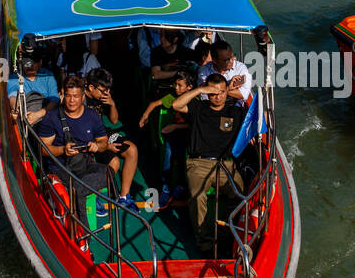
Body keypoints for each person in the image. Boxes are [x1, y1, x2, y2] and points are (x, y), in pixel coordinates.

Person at [172, 72, 246, 256]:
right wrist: (200, 90)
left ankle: (224, 233)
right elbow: (176, 104)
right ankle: (205, 242)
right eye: (213, 93)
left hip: (226, 165)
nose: (218, 97)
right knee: (198, 196)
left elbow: (257, 120)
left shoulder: (235, 111)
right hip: (198, 163)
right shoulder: (199, 107)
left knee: (241, 195)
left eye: (221, 92)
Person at [37, 77, 109, 226]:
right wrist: (63, 150)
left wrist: (97, 146)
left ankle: (82, 192)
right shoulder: (51, 118)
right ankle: (84, 237)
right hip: (60, 168)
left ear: (82, 96)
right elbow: (43, 150)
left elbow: (104, 142)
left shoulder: (92, 116)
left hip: (84, 165)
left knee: (109, 172)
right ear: (62, 95)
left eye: (76, 96)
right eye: (68, 95)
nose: (71, 100)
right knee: (79, 188)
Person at [84, 68, 140, 209]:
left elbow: (114, 121)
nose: (106, 93)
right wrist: (107, 147)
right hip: (86, 138)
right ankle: (94, 194)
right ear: (91, 87)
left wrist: (112, 104)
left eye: (108, 90)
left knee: (131, 150)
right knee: (114, 161)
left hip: (102, 134)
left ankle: (124, 196)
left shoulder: (102, 97)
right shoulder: (80, 99)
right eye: (103, 91)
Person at [139, 67, 193, 205]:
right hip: (173, 135)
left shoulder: (194, 100)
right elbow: (154, 104)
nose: (176, 88)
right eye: (175, 84)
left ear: (189, 87)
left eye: (180, 85)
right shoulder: (172, 97)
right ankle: (166, 186)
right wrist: (145, 115)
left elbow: (194, 125)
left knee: (183, 159)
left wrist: (175, 126)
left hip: (188, 136)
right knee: (169, 155)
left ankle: (182, 185)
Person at [7, 46, 60, 125]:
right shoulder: (14, 78)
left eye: (34, 62)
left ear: (40, 63)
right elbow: (13, 96)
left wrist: (38, 115)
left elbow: (55, 100)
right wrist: (16, 110)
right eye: (27, 62)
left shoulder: (48, 75)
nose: (30, 66)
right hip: (27, 118)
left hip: (47, 117)